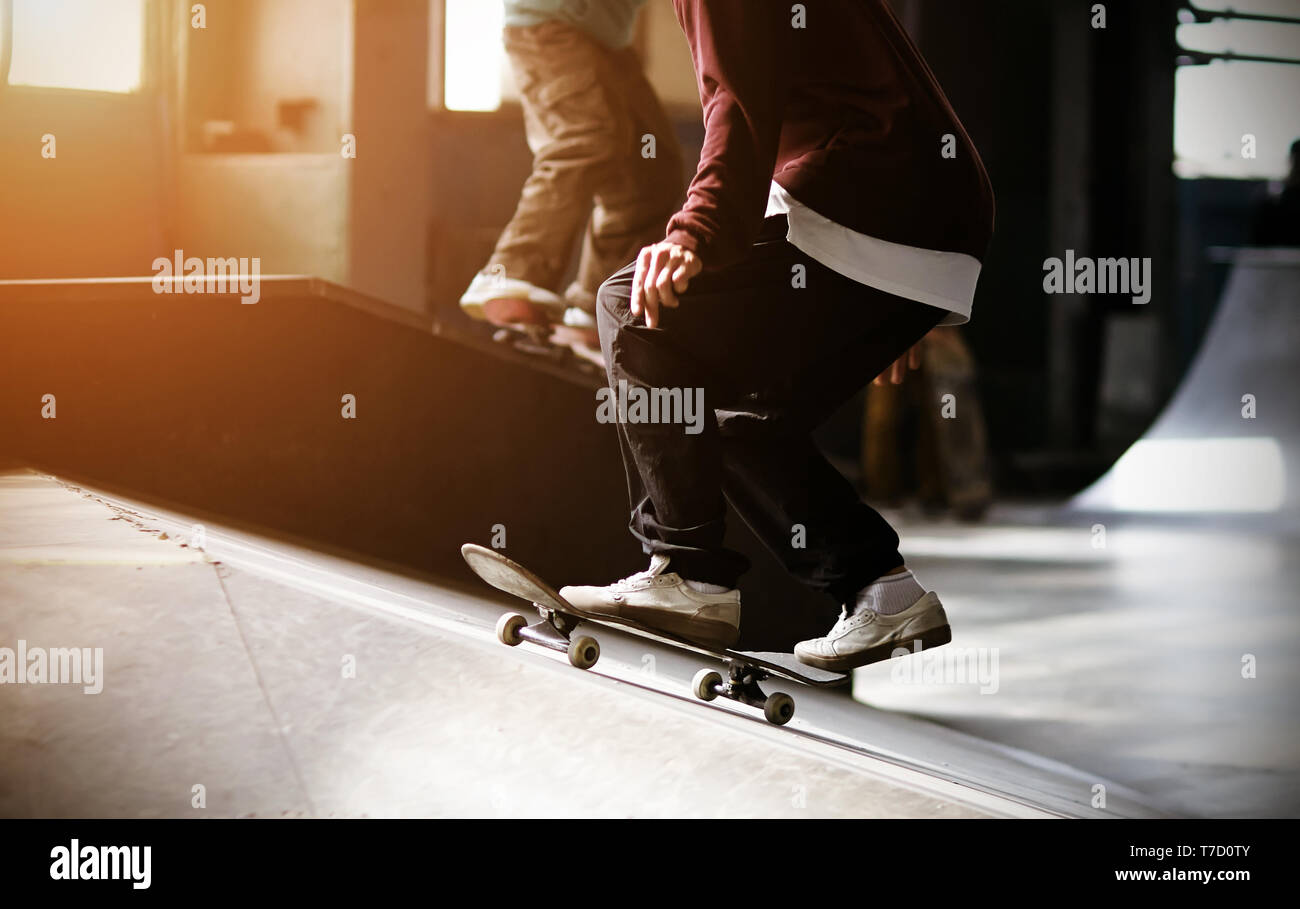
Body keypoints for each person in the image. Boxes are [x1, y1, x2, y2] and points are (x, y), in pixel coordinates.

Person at [558, 0, 995, 672]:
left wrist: (693, 234)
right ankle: (880, 587)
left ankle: (688, 569)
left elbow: (737, 100)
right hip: (908, 211)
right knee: (736, 415)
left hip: (871, 201)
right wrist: (903, 286)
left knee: (636, 307)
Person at [458, 0, 684, 362]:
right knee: (586, 137)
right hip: (549, 25)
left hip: (608, 41)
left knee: (654, 173)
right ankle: (511, 272)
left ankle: (592, 305)